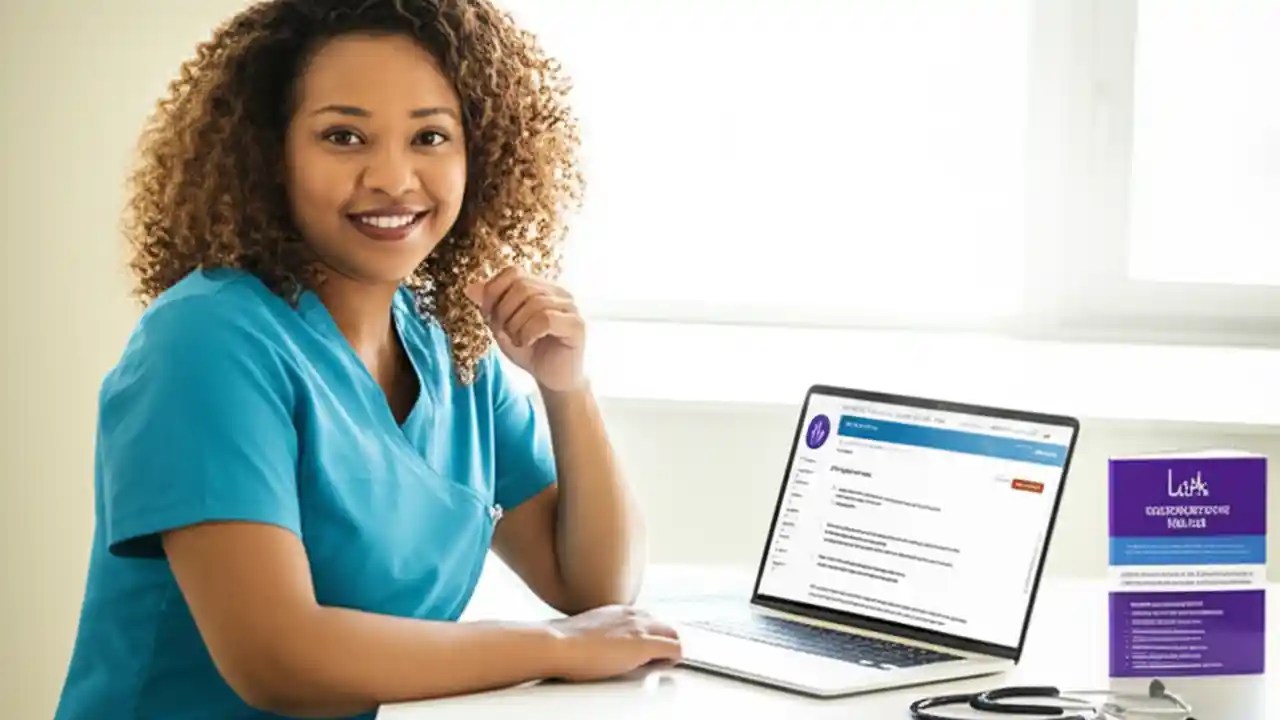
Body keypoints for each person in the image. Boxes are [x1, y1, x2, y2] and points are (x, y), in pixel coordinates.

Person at [54, 1, 682, 718]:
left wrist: (565, 388)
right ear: (269, 152)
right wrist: (555, 647)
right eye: (344, 136)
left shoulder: (450, 346)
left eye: (430, 136)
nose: (392, 177)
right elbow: (278, 659)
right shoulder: (204, 342)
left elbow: (596, 590)